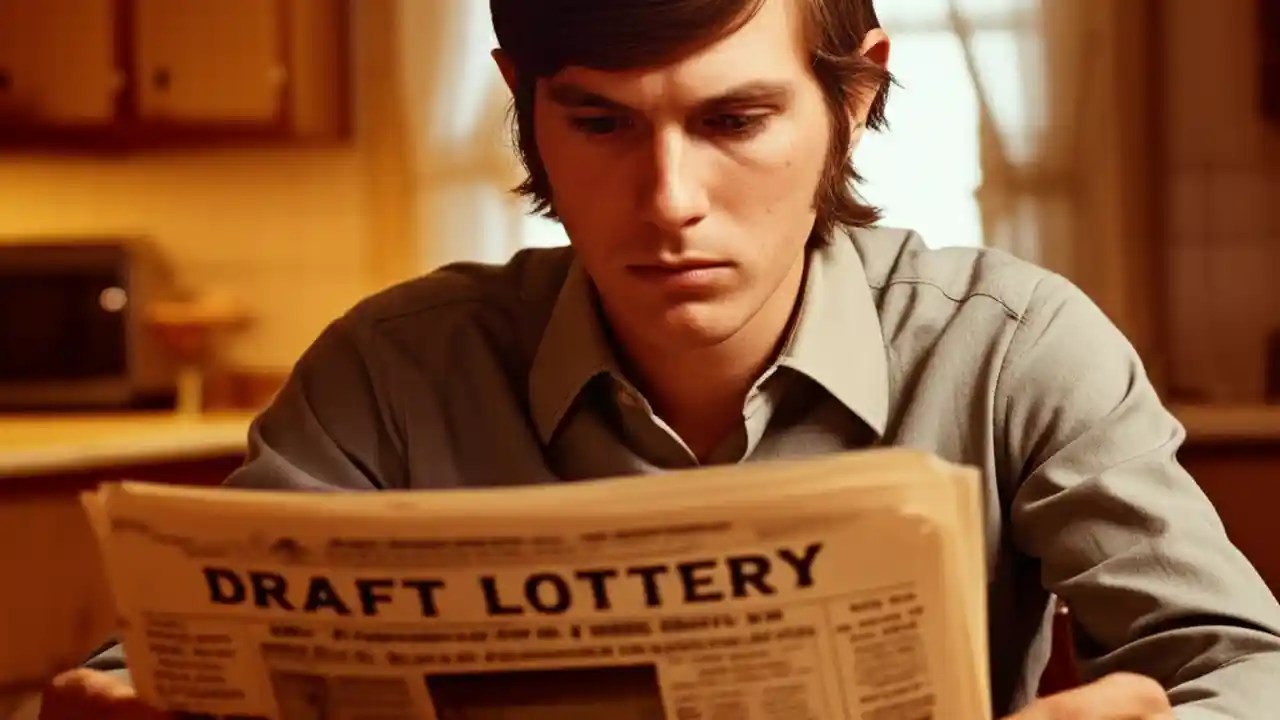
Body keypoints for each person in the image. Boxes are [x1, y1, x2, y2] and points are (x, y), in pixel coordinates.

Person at [38, 0, 1280, 718]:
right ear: (521, 101)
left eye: (734, 120)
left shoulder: (1010, 343)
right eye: (597, 122)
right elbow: (157, 662)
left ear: (851, 100)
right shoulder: (393, 367)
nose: (667, 199)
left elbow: (1237, 668)